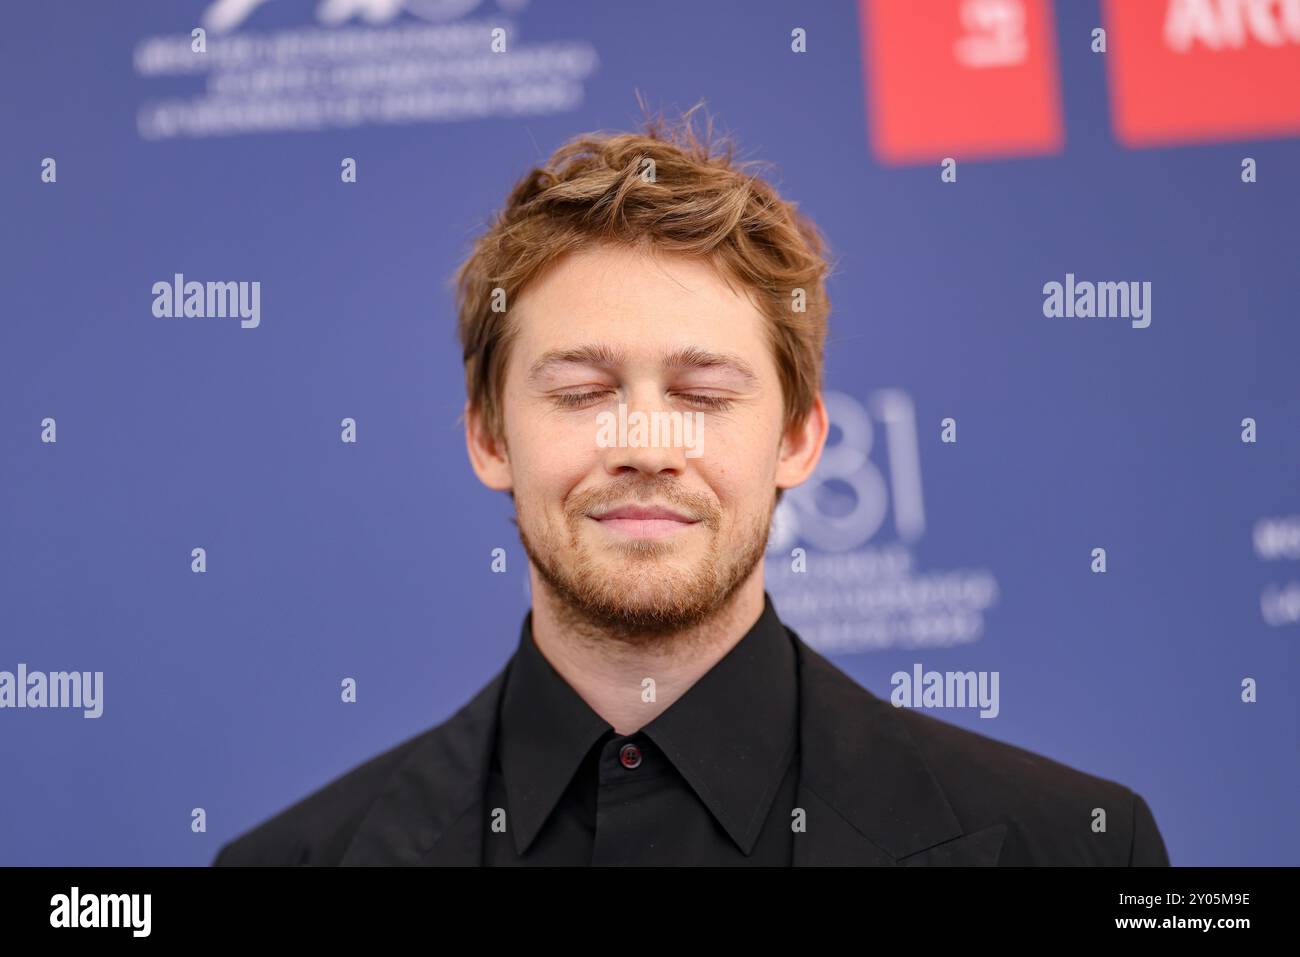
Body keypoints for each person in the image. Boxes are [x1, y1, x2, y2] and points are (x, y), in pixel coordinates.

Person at [212, 106, 1169, 867]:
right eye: (583, 391)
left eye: (703, 393)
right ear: (488, 438)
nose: (645, 443)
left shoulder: (1071, 847)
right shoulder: (294, 862)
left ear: (797, 439)